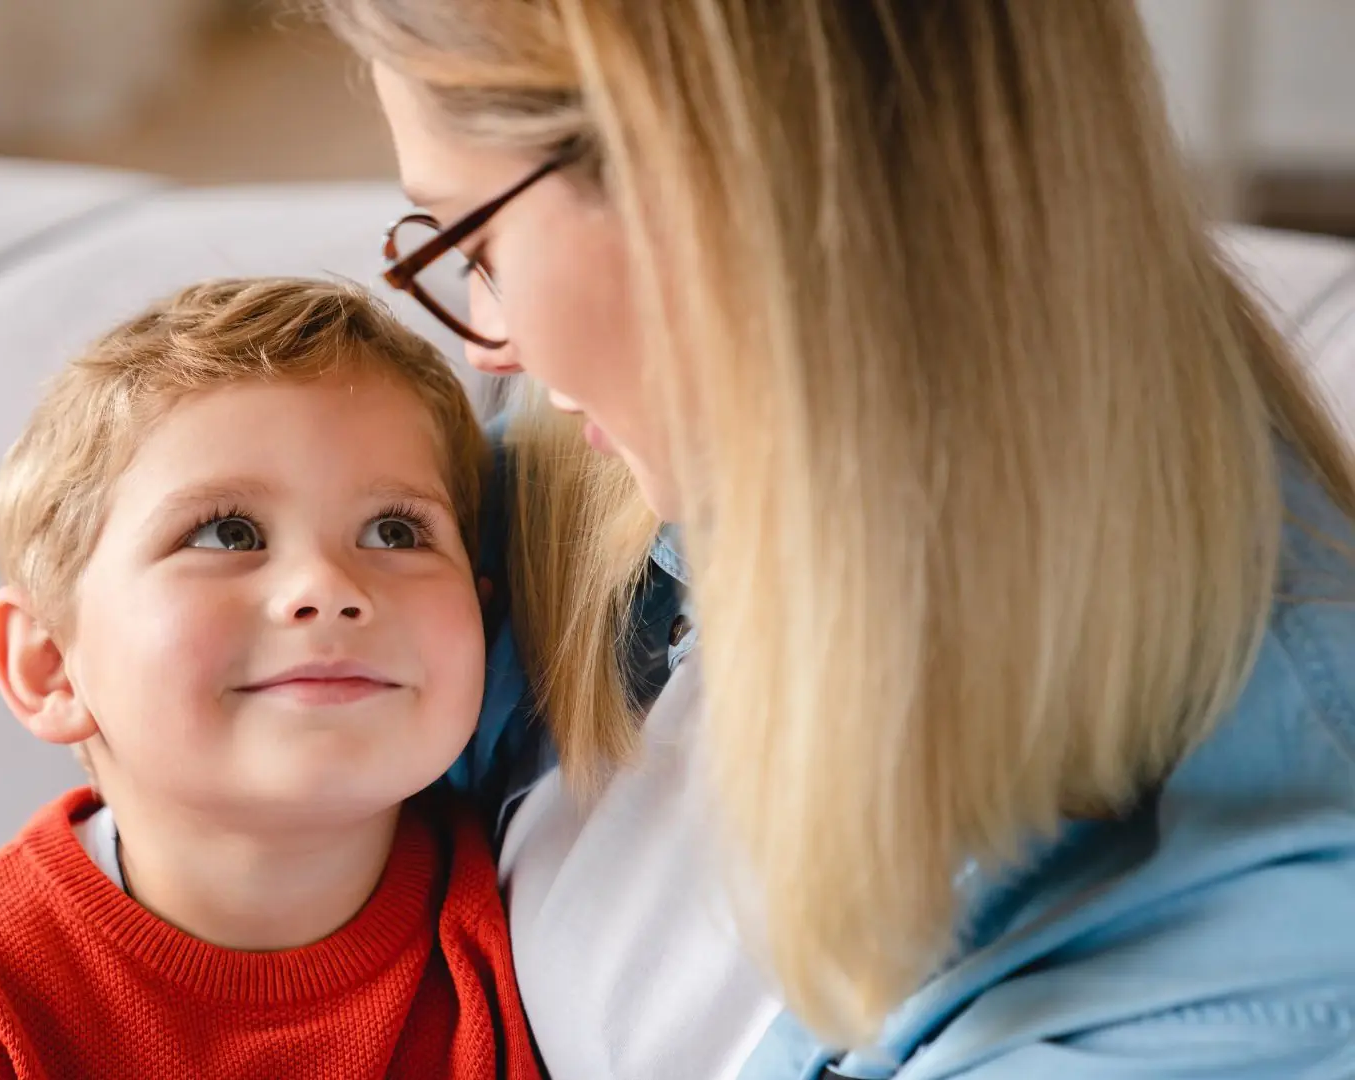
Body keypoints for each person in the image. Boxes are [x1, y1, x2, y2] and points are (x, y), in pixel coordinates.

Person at [322, 0, 1355, 1077]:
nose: (490, 348)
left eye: (478, 240)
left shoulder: (1246, 972)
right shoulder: (634, 465)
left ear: (718, 183)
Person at [0, 277, 540, 1079]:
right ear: (50, 664)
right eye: (227, 534)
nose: (328, 587)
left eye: (395, 531)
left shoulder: (522, 918)